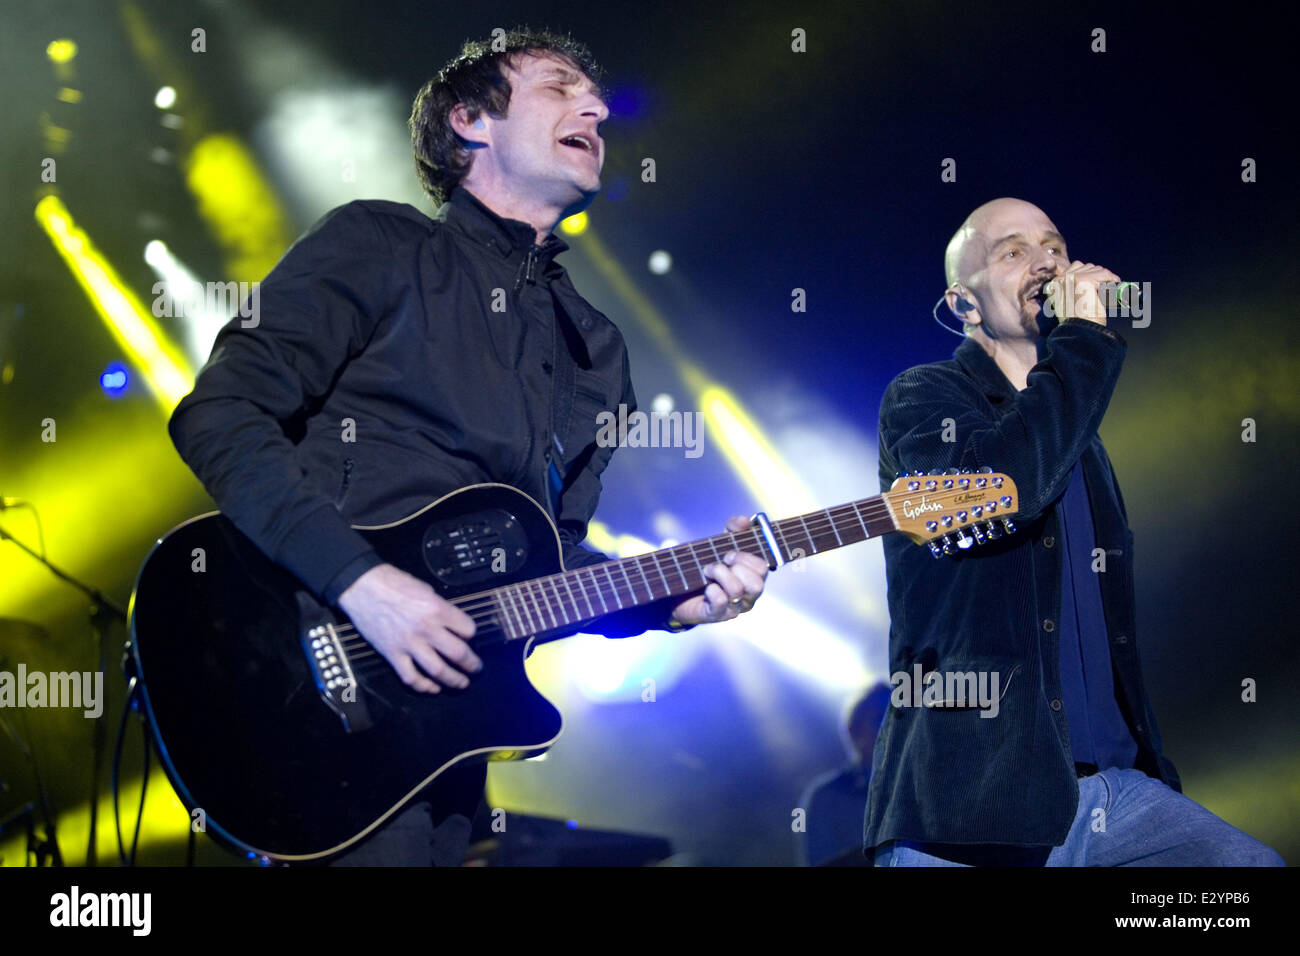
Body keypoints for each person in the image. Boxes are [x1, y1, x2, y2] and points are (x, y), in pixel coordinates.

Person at [167, 28, 768, 866]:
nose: (594, 107)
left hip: (443, 740)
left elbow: (547, 566)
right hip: (305, 681)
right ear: (470, 122)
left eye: (596, 96)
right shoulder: (380, 245)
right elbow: (219, 414)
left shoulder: (596, 350)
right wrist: (364, 584)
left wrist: (672, 602)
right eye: (559, 87)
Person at [864, 198, 1283, 866]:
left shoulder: (1078, 438)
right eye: (1013, 252)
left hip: (1114, 793)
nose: (1047, 261)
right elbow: (1005, 489)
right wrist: (1085, 336)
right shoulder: (925, 396)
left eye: (1054, 246)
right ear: (964, 304)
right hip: (977, 803)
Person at [798, 682, 890, 866]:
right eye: (880, 718)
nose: (891, 727)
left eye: (898, 719)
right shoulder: (825, 796)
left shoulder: (923, 787)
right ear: (854, 731)